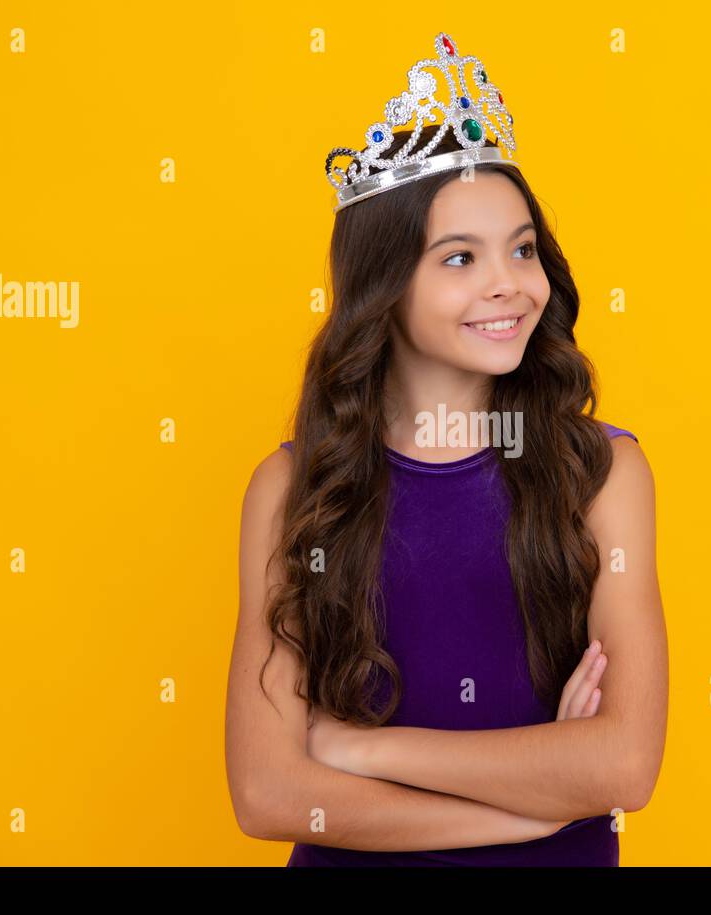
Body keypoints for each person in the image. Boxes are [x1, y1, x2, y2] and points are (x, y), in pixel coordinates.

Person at [224, 32, 668, 865]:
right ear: (385, 290)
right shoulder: (292, 489)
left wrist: (365, 750)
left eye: (523, 247)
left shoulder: (602, 476)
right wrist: (533, 809)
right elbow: (268, 792)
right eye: (459, 257)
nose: (508, 281)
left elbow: (624, 764)